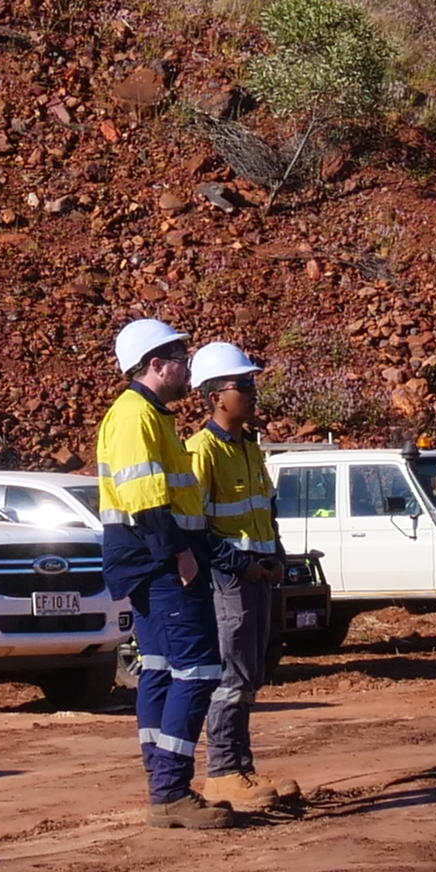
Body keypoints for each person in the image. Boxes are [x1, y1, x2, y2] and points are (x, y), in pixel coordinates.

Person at [90, 317, 228, 830]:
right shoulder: (134, 418)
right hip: (160, 561)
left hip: (153, 560)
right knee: (197, 670)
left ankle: (163, 784)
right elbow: (146, 500)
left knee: (162, 668)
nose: (187, 365)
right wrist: (180, 555)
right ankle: (169, 791)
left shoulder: (148, 415)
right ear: (156, 364)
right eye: (180, 355)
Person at [178, 341, 290, 813]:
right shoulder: (201, 452)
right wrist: (242, 565)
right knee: (232, 675)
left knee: (251, 674)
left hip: (259, 577)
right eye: (242, 385)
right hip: (231, 582)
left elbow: (264, 511)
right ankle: (223, 771)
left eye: (252, 383)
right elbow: (197, 528)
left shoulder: (248, 448)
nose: (251, 391)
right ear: (214, 396)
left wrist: (277, 556)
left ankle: (240, 765)